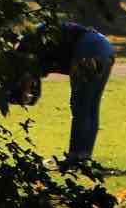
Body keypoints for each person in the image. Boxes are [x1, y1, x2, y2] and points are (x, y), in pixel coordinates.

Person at [13, 19, 116, 168]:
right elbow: (33, 83)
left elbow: (28, 80)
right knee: (91, 106)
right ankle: (84, 155)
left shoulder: (26, 47)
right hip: (105, 48)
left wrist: (23, 92)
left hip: (87, 49)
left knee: (80, 106)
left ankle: (75, 157)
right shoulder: (34, 43)